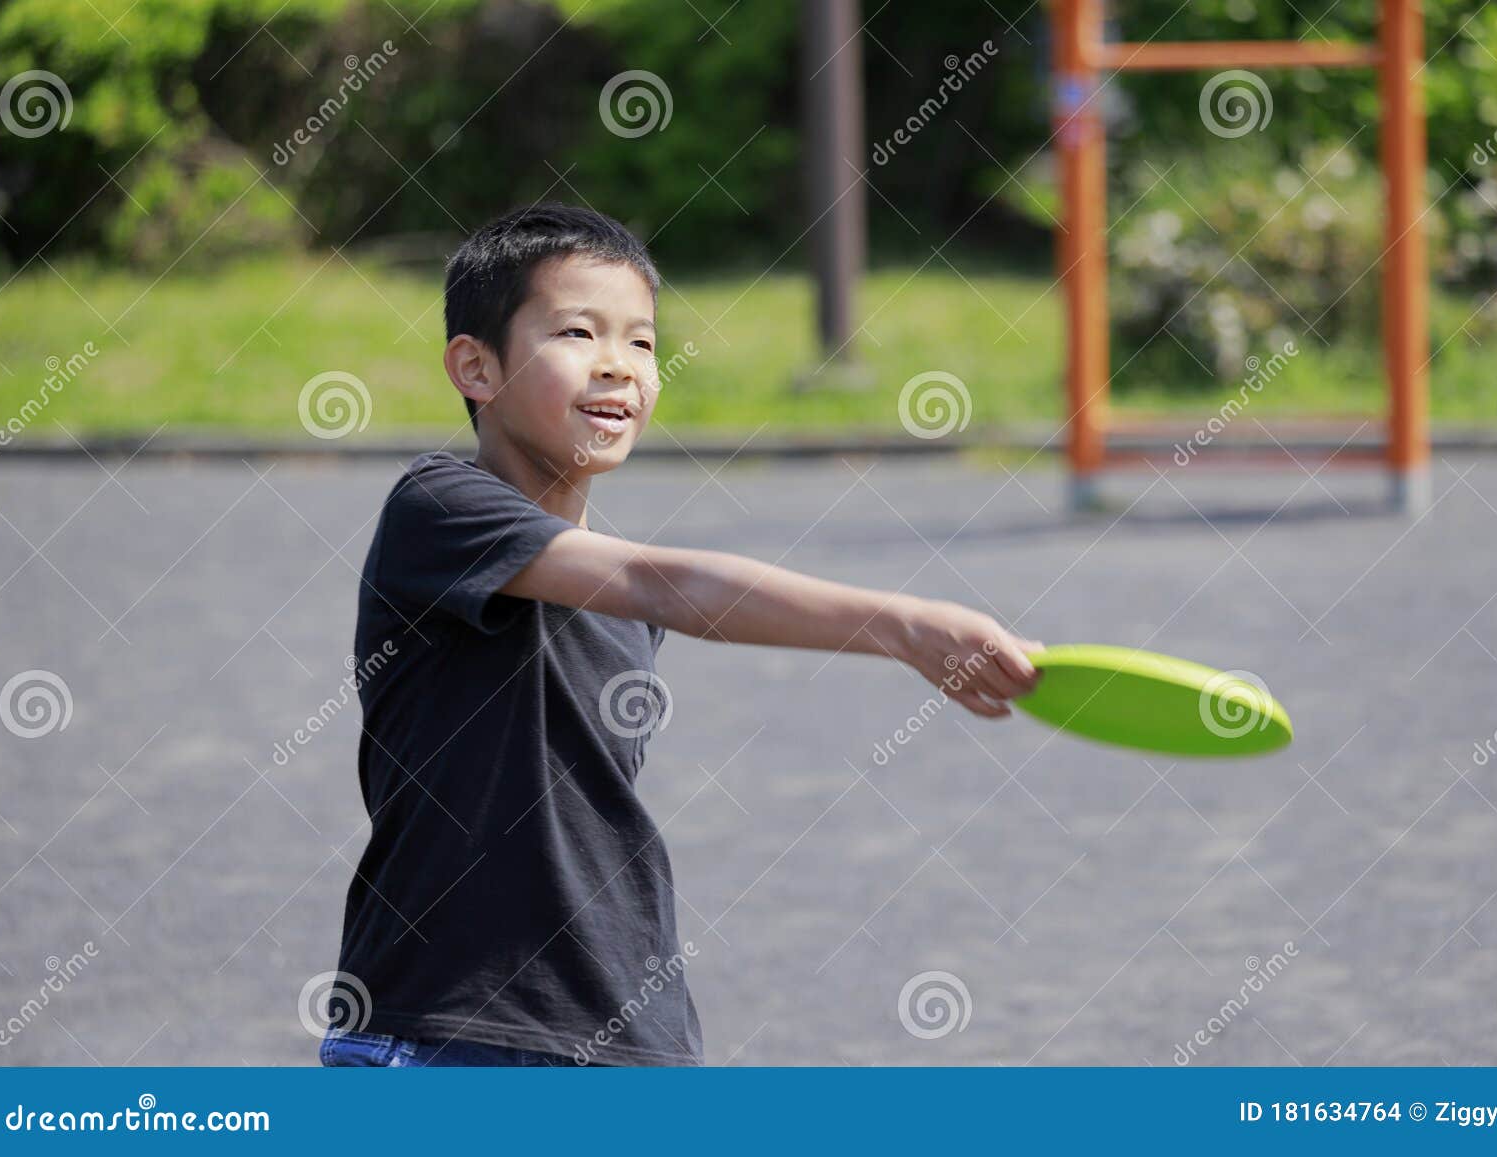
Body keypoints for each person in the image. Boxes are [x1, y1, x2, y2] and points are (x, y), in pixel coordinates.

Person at [320, 203, 1043, 1068]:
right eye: (579, 332)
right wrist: (900, 623)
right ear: (475, 366)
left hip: (625, 1036)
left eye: (643, 343)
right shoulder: (438, 508)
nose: (618, 367)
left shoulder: (619, 602)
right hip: (450, 1032)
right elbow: (672, 585)